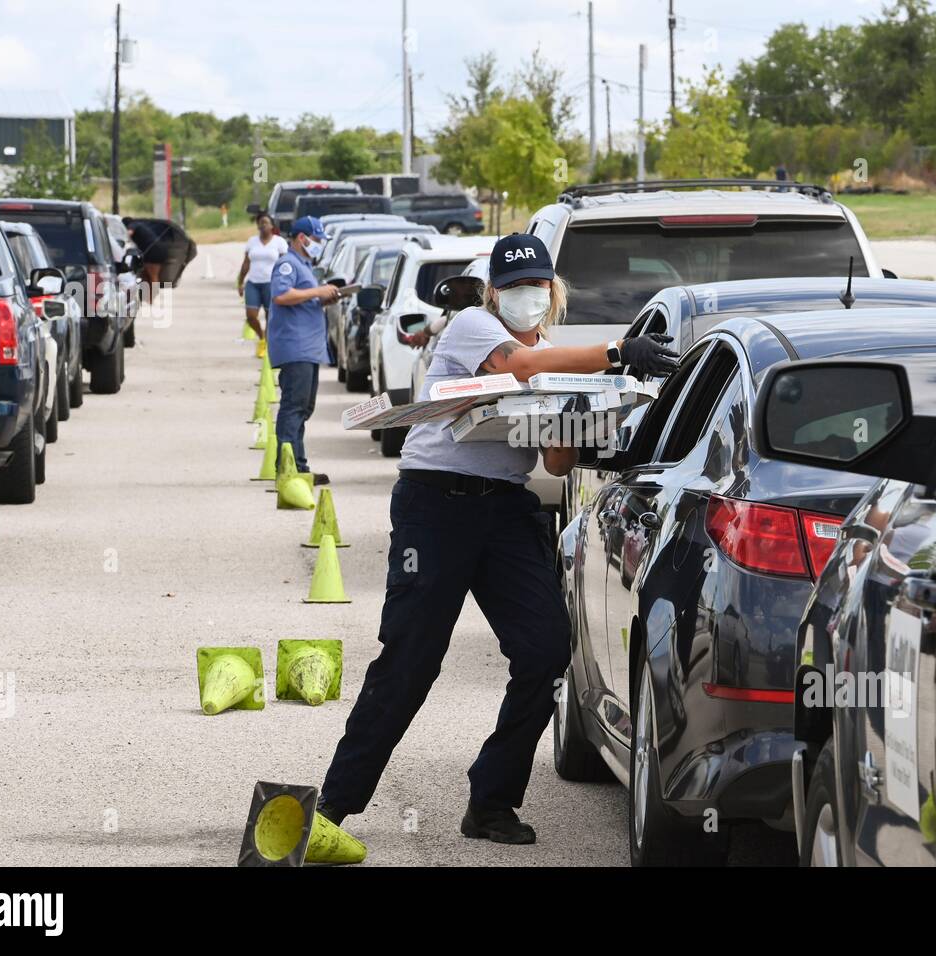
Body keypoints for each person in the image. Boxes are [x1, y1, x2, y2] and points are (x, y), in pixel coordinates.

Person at [317, 233, 677, 845]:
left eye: (536, 286)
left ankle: (491, 802)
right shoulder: (471, 329)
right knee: (412, 661)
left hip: (506, 512)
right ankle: (332, 808)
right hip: (436, 504)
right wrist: (618, 353)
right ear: (493, 294)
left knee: (544, 653)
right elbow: (517, 368)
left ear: (552, 290)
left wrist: (596, 421)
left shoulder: (555, 353)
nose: (526, 298)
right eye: (513, 288)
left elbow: (558, 462)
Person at [267, 216, 344, 485]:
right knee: (294, 407)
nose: (320, 245)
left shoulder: (304, 266)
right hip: (295, 347)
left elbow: (302, 300)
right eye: (318, 240)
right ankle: (288, 467)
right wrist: (317, 291)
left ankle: (298, 464)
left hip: (307, 348)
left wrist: (323, 297)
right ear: (303, 238)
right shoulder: (288, 264)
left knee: (304, 407)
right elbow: (281, 295)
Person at [237, 212, 288, 340]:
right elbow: (246, 263)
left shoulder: (279, 242)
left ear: (272, 226)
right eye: (260, 222)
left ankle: (267, 341)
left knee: (269, 315)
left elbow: (285, 264)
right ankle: (261, 336)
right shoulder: (252, 242)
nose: (262, 225)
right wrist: (240, 282)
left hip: (271, 283)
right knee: (251, 316)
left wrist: (285, 283)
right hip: (253, 283)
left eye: (265, 222)